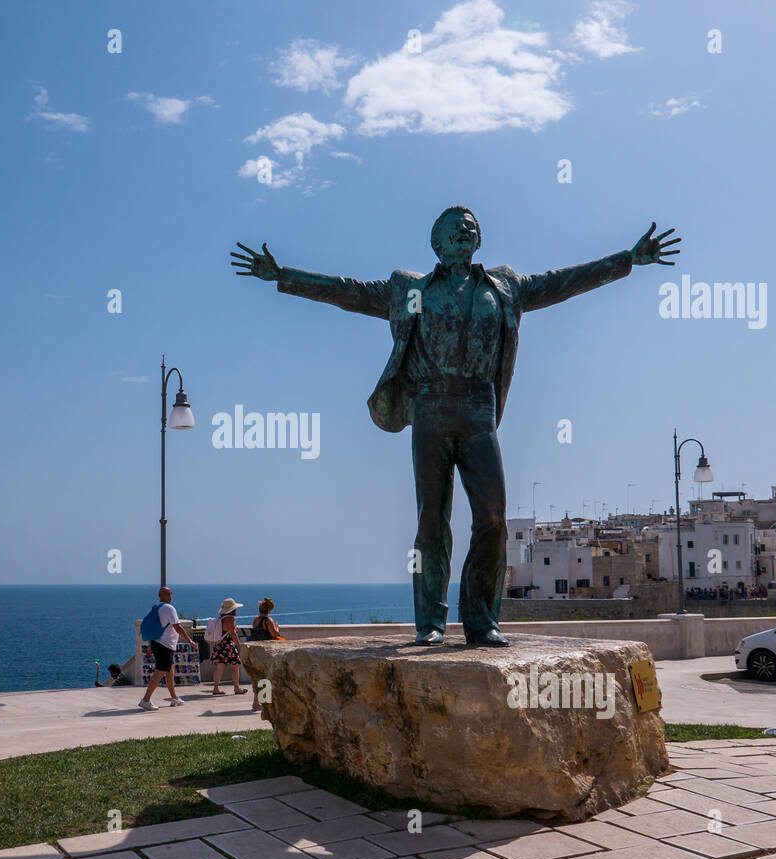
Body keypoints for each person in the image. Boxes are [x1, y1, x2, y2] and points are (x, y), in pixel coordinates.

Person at [232, 210, 679, 649]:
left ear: (478, 240)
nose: (464, 232)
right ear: (438, 244)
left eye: (471, 228)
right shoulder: (411, 290)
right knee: (431, 521)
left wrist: (626, 260)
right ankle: (429, 622)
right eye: (454, 229)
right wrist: (282, 275)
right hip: (430, 407)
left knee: (494, 518)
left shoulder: (505, 286)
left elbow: (563, 282)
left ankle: (481, 621)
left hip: (479, 409)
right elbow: (345, 292)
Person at [139, 586, 192, 711]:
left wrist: (150, 646)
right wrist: (189, 641)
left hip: (158, 644)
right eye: (169, 593)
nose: (171, 596)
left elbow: (154, 628)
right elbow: (177, 627)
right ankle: (145, 700)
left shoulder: (157, 608)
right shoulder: (169, 608)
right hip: (165, 646)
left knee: (170, 672)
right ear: (163, 595)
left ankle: (174, 698)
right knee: (159, 672)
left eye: (170, 593)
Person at [209, 598, 246, 697]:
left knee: (219, 667)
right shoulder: (230, 619)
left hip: (220, 645)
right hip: (228, 645)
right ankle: (237, 688)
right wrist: (238, 645)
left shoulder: (221, 619)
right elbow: (233, 634)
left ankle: (216, 688)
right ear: (233, 610)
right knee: (235, 667)